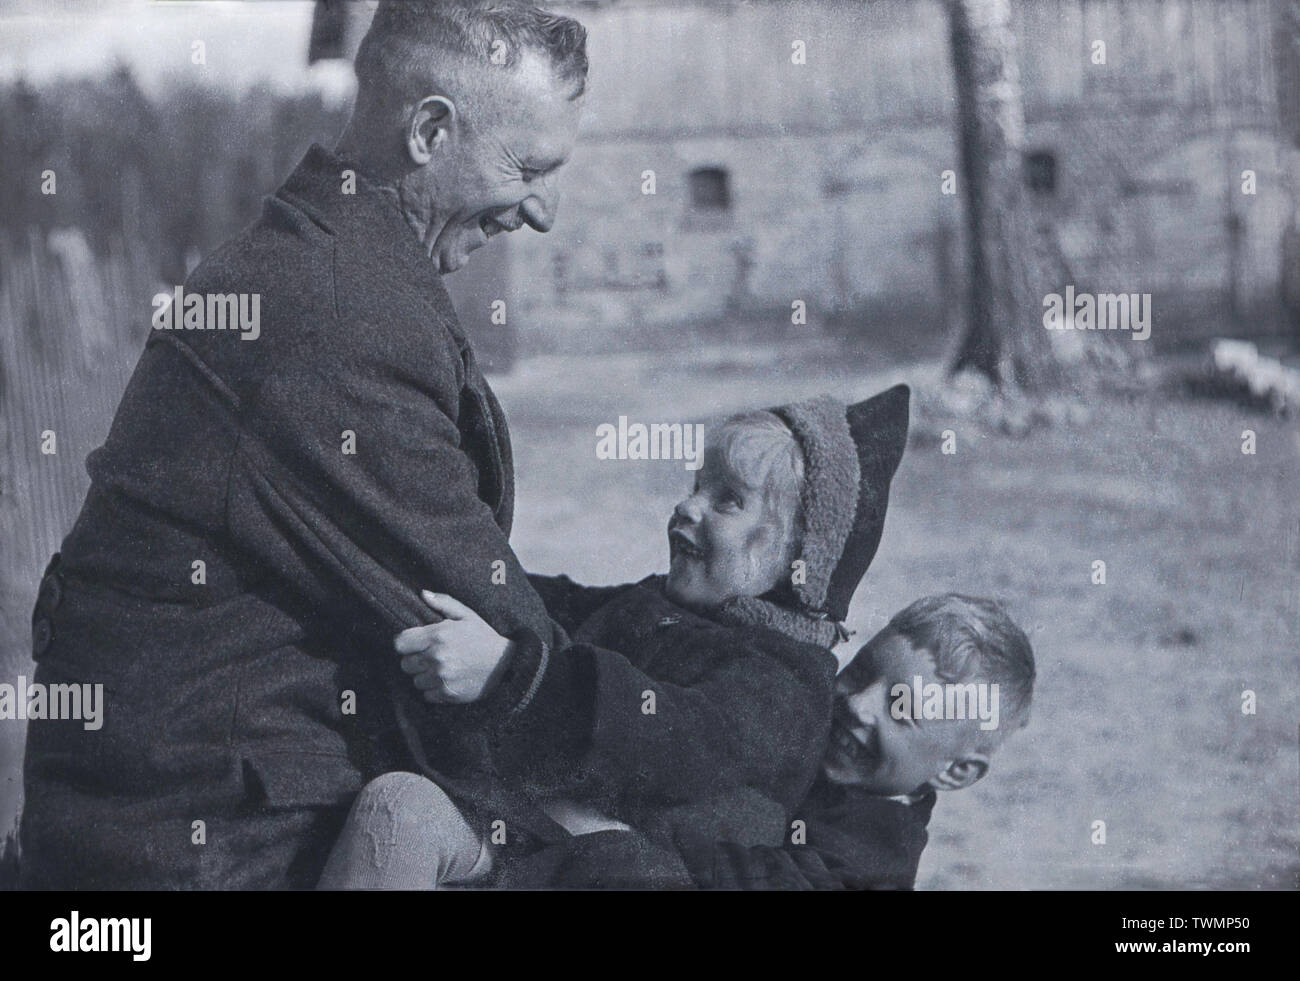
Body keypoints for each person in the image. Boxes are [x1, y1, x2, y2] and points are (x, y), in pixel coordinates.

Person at [20, 0, 591, 889]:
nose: (545, 211)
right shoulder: (335, 313)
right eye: (528, 167)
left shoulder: (318, 258)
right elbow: (497, 634)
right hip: (196, 849)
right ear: (431, 132)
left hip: (180, 810)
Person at [317, 386, 912, 889]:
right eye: (697, 484)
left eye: (727, 500)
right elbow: (556, 606)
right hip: (531, 843)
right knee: (399, 809)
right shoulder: (661, 606)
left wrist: (509, 675)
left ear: (800, 557)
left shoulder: (782, 682)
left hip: (623, 873)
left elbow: (659, 732)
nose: (688, 506)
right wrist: (460, 571)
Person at [681, 593, 1037, 890]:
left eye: (899, 708)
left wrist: (655, 843)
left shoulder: (876, 858)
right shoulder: (808, 739)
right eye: (861, 672)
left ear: (956, 771)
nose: (858, 704)